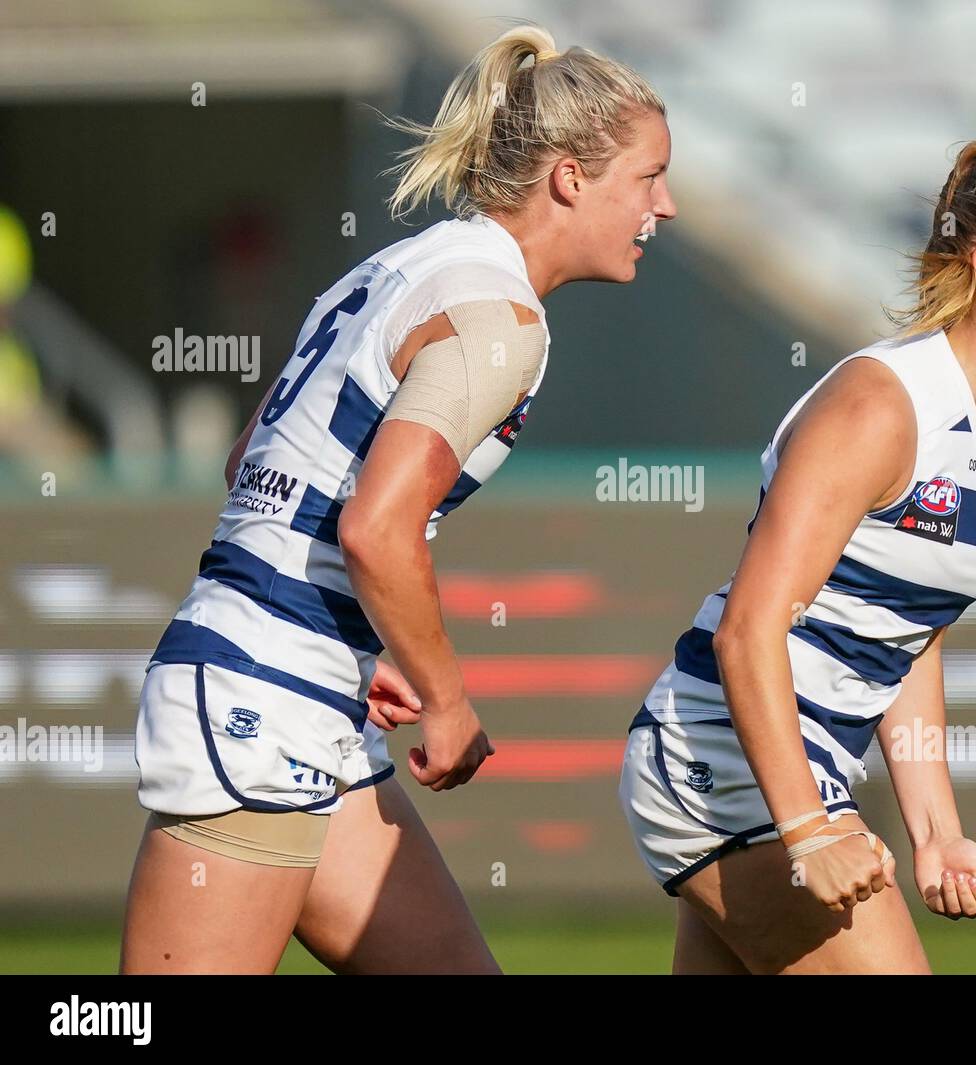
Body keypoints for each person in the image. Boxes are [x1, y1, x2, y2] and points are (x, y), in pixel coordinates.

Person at [121, 23, 676, 974]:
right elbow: (376, 530)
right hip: (265, 699)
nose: (664, 206)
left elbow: (251, 459)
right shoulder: (502, 320)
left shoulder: (401, 265)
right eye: (649, 176)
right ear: (571, 179)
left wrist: (355, 634)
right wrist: (449, 701)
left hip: (298, 688)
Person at [620, 140, 976, 974]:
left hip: (786, 772)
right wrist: (809, 827)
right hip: (723, 756)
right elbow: (747, 630)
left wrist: (938, 832)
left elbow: (913, 636)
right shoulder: (880, 404)